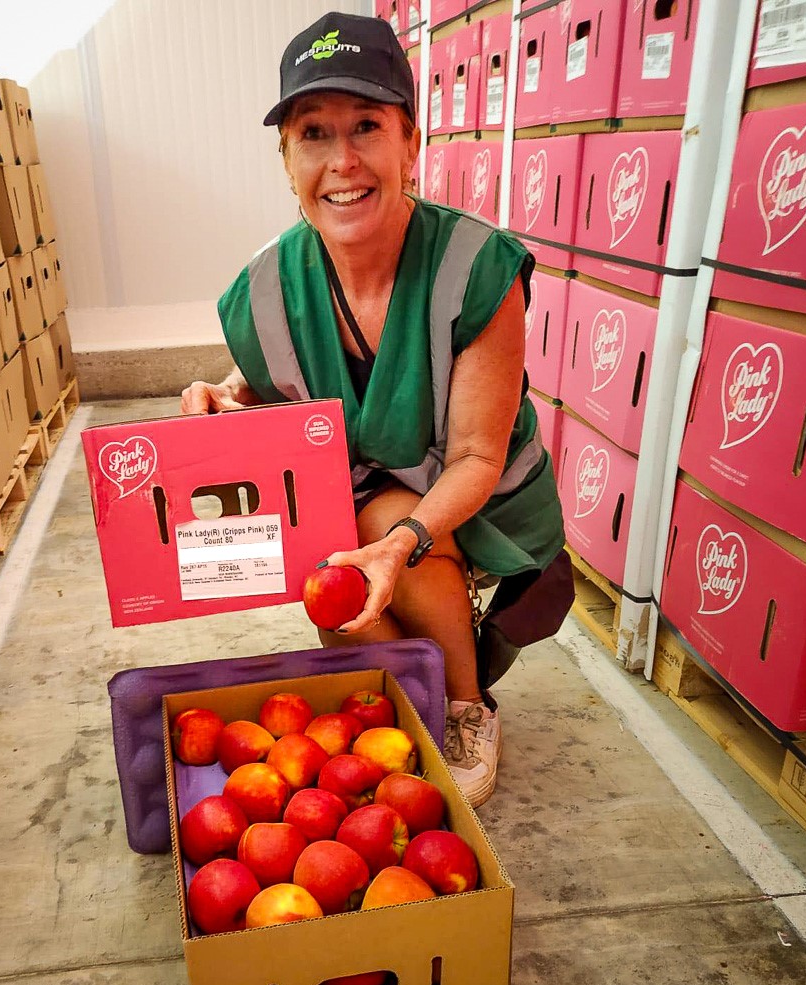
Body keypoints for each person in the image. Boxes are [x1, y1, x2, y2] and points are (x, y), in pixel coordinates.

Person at [181, 12, 572, 808]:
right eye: (314, 133)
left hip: (475, 502)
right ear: (286, 158)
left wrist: (401, 543)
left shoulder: (473, 265)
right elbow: (273, 369)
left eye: (368, 126)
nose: (344, 160)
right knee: (335, 566)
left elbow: (475, 456)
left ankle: (465, 706)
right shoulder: (267, 285)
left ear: (410, 142)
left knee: (381, 520)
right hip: (368, 504)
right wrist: (224, 400)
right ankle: (408, 713)